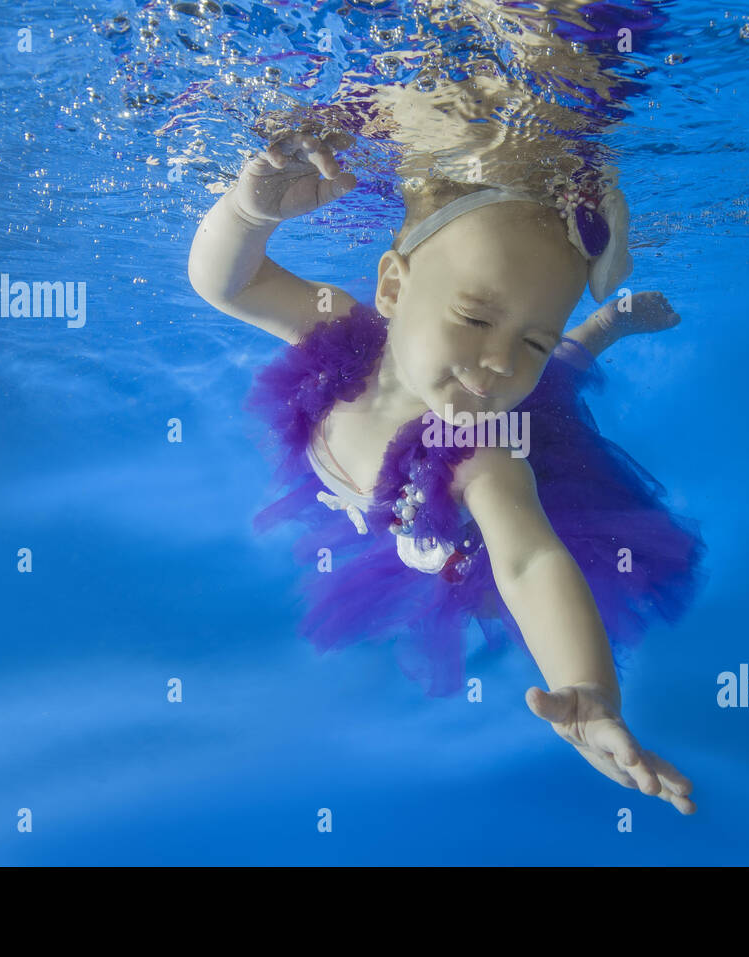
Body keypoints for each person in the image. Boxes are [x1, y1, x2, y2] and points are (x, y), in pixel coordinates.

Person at [188, 125, 705, 816]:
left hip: (473, 495)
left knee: (548, 392)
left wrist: (588, 690)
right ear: (394, 287)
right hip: (392, 496)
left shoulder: (485, 456)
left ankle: (593, 332)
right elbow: (230, 283)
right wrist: (248, 213)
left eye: (533, 337)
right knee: (543, 386)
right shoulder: (339, 331)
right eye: (472, 316)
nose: (498, 361)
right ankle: (589, 336)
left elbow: (527, 561)